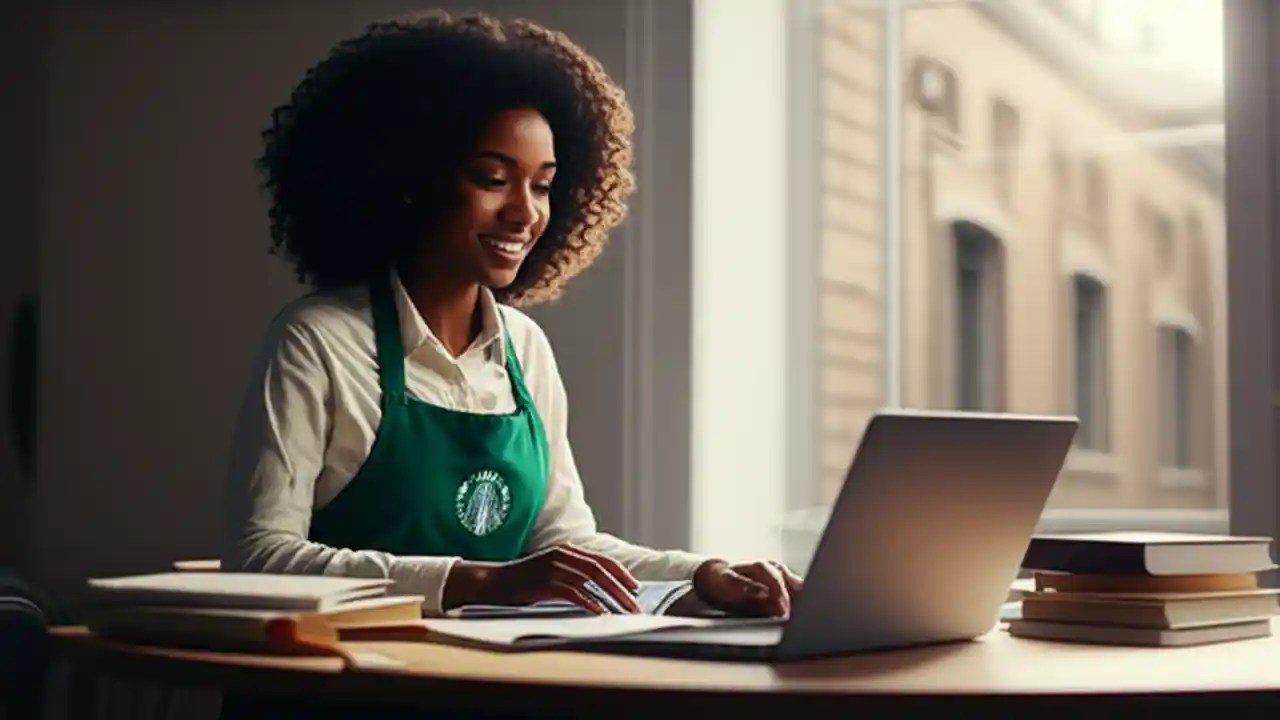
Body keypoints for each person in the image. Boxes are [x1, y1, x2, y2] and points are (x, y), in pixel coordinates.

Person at [222, 9, 802, 698]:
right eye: (493, 178)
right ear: (411, 177)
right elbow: (260, 560)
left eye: (544, 184)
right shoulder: (318, 341)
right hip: (339, 696)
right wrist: (480, 580)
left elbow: (566, 548)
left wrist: (704, 575)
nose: (525, 213)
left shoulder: (525, 348)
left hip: (482, 693)